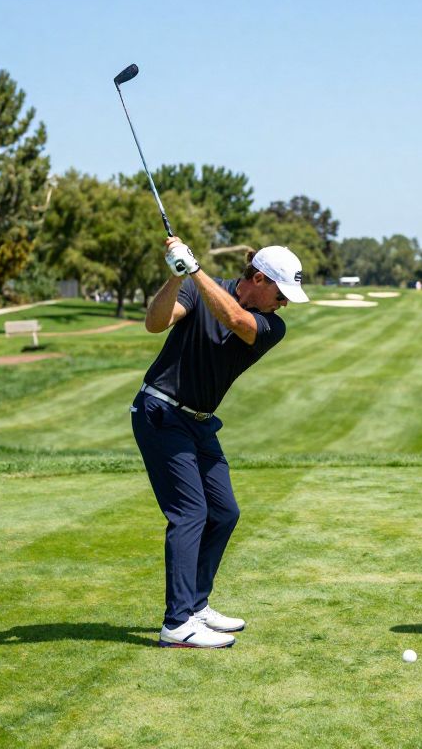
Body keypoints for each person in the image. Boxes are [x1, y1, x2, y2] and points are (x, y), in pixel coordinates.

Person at [131, 237, 309, 648]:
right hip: (161, 412)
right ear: (259, 279)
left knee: (225, 512)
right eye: (281, 294)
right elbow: (155, 323)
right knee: (190, 512)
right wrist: (177, 277)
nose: (283, 304)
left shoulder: (270, 326)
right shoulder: (197, 287)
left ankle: (195, 604)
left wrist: (194, 269)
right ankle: (177, 623)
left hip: (200, 422)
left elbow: (234, 320)